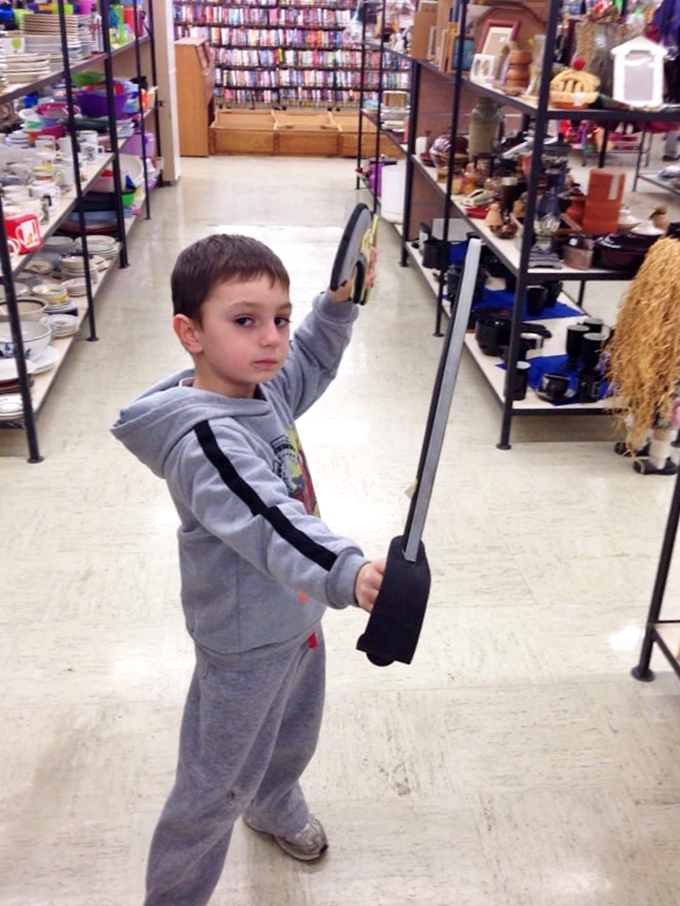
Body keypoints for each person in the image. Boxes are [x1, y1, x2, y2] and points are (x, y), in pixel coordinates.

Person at [111, 233, 386, 906]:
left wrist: (334, 309)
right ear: (190, 332)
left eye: (280, 318)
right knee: (212, 789)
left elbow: (309, 365)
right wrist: (345, 570)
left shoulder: (257, 388)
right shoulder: (207, 440)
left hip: (294, 615)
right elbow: (268, 518)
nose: (272, 338)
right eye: (245, 320)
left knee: (292, 733)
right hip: (242, 642)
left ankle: (274, 802)